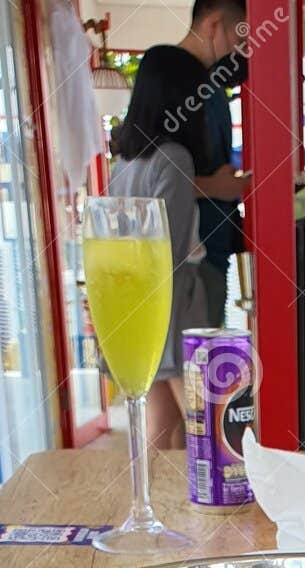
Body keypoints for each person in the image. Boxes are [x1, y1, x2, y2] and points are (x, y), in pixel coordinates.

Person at [109, 46, 211, 450]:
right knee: (204, 426)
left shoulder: (124, 163)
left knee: (160, 430)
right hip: (173, 298)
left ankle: (152, 492)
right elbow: (170, 245)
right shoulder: (175, 157)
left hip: (132, 298)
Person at [172, 0, 253, 329]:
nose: (243, 51)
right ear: (214, 25)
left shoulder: (211, 86)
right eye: (241, 39)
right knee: (195, 355)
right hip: (189, 259)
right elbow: (149, 174)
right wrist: (217, 187)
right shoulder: (172, 81)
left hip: (212, 252)